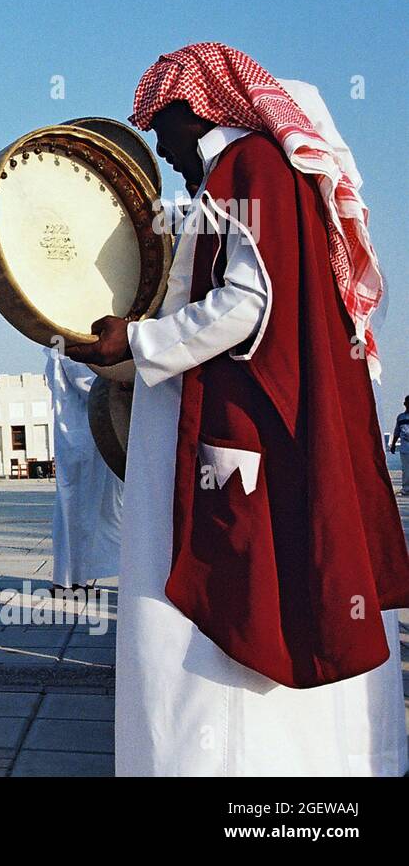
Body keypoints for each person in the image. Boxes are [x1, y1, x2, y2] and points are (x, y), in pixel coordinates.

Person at [67, 42, 409, 776]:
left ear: (192, 109)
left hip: (229, 438)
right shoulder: (254, 172)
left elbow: (250, 301)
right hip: (224, 429)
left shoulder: (248, 165)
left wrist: (136, 337)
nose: (159, 149)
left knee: (204, 615)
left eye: (157, 127)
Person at [43, 348, 121, 588]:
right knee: (77, 512)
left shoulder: (61, 350)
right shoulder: (67, 351)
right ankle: (68, 581)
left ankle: (75, 579)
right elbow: (92, 387)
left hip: (87, 440)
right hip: (84, 441)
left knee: (82, 512)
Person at [388, 396, 409, 496]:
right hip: (405, 448)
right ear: (405, 404)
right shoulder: (401, 417)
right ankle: (406, 488)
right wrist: (393, 445)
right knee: (406, 469)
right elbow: (397, 431)